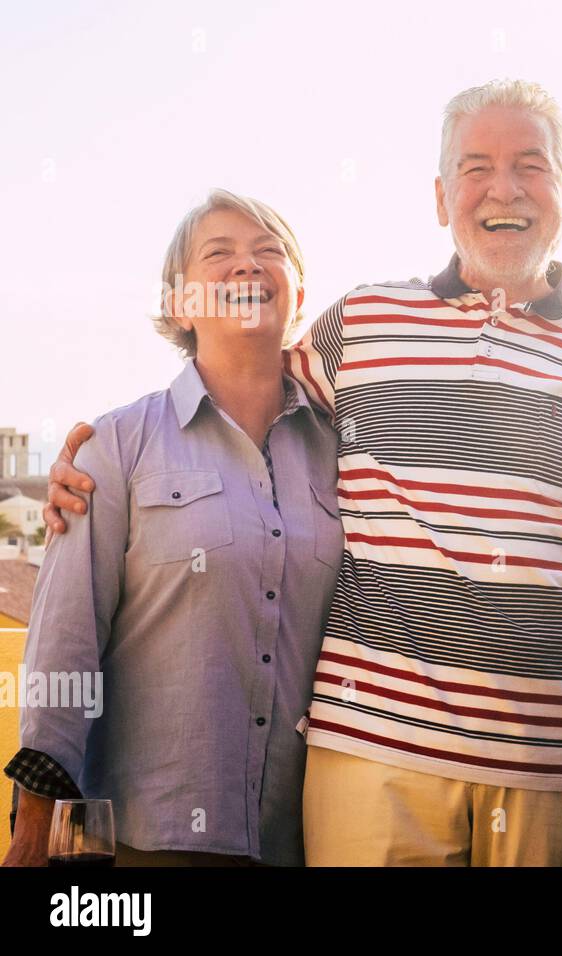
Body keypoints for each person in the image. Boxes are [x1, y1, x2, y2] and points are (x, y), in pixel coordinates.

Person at [46, 80, 562, 867]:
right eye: (475, 167)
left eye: (530, 166)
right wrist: (95, 455)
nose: (502, 189)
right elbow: (235, 391)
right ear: (441, 197)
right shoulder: (361, 324)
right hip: (372, 756)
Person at [5, 189, 340, 866]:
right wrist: (31, 834)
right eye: (219, 254)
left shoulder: (344, 452)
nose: (248, 267)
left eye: (268, 252)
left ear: (298, 295)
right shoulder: (116, 446)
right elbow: (65, 641)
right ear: (180, 303)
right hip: (144, 840)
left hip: (301, 836)